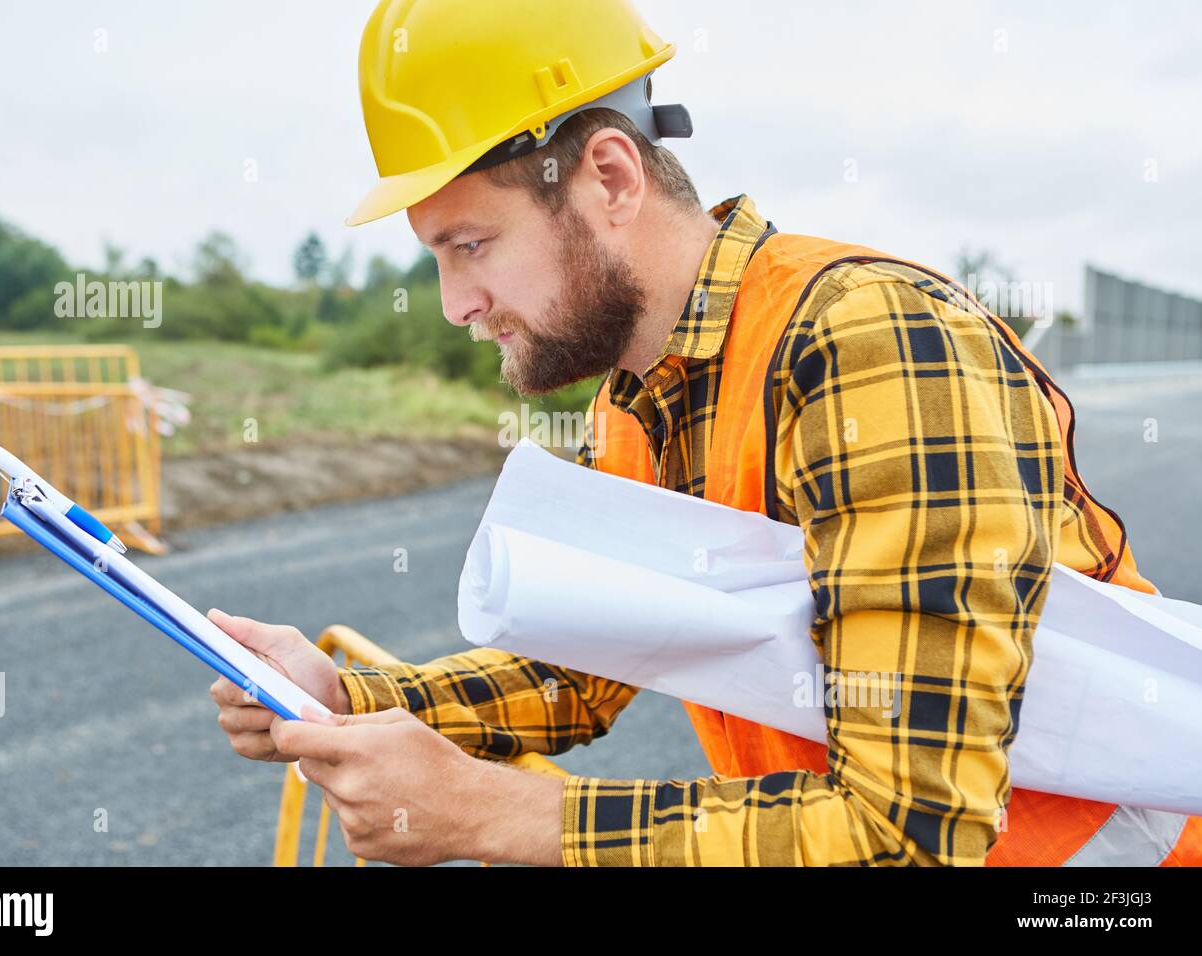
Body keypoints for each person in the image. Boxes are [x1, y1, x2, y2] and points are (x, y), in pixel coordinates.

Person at [209, 0, 1202, 866]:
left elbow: (909, 834)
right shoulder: (636, 399)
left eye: (471, 245)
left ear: (607, 177)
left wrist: (496, 811)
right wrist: (350, 692)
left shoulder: (870, 343)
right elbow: (588, 667)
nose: (455, 303)